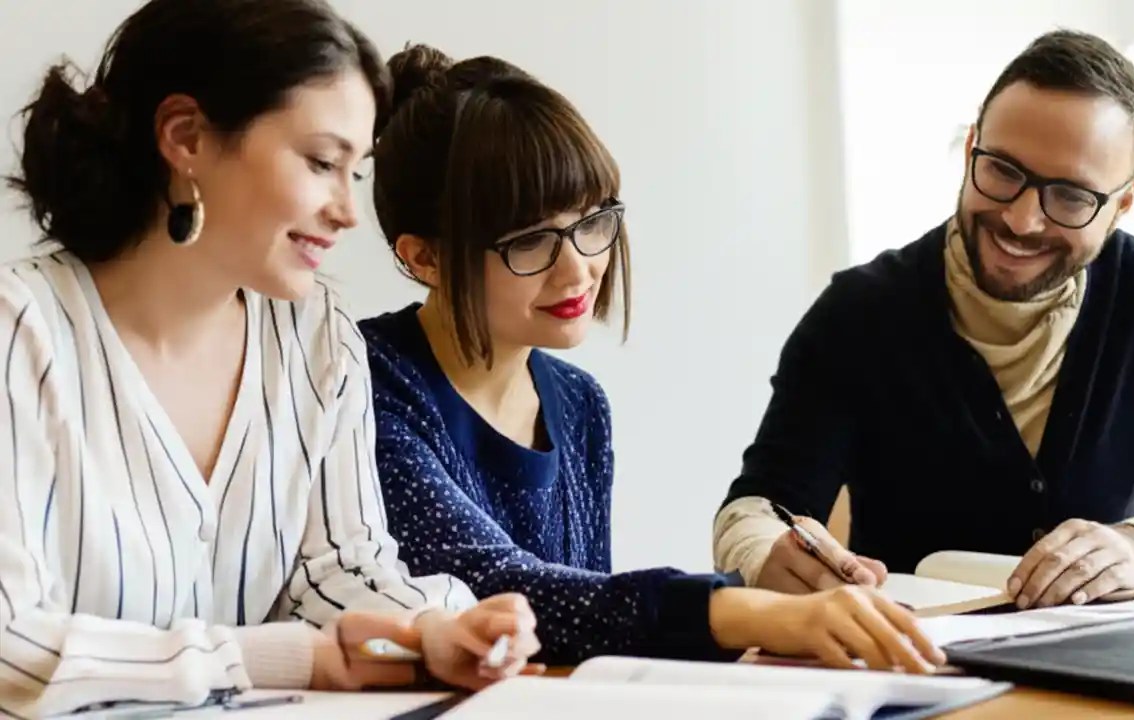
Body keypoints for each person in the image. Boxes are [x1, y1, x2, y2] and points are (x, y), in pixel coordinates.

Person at [0, 2, 539, 717]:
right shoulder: (22, 331)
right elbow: (11, 645)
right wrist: (261, 657)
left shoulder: (319, 341)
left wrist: (429, 633)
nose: (348, 212)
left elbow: (339, 571)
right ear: (185, 136)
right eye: (321, 163)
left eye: (357, 172)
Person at [360, 45, 945, 673]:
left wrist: (775, 582)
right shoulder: (366, 383)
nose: (579, 267)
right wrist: (753, 612)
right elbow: (500, 591)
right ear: (423, 258)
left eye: (591, 221)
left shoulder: (580, 405)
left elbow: (580, 632)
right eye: (530, 240)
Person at [713, 30, 1134, 611]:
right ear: (970, 150)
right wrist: (764, 550)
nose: (1023, 219)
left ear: (1122, 204)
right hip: (921, 665)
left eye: (1071, 196)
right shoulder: (858, 314)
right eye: (1004, 170)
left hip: (1116, 669)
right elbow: (753, 509)